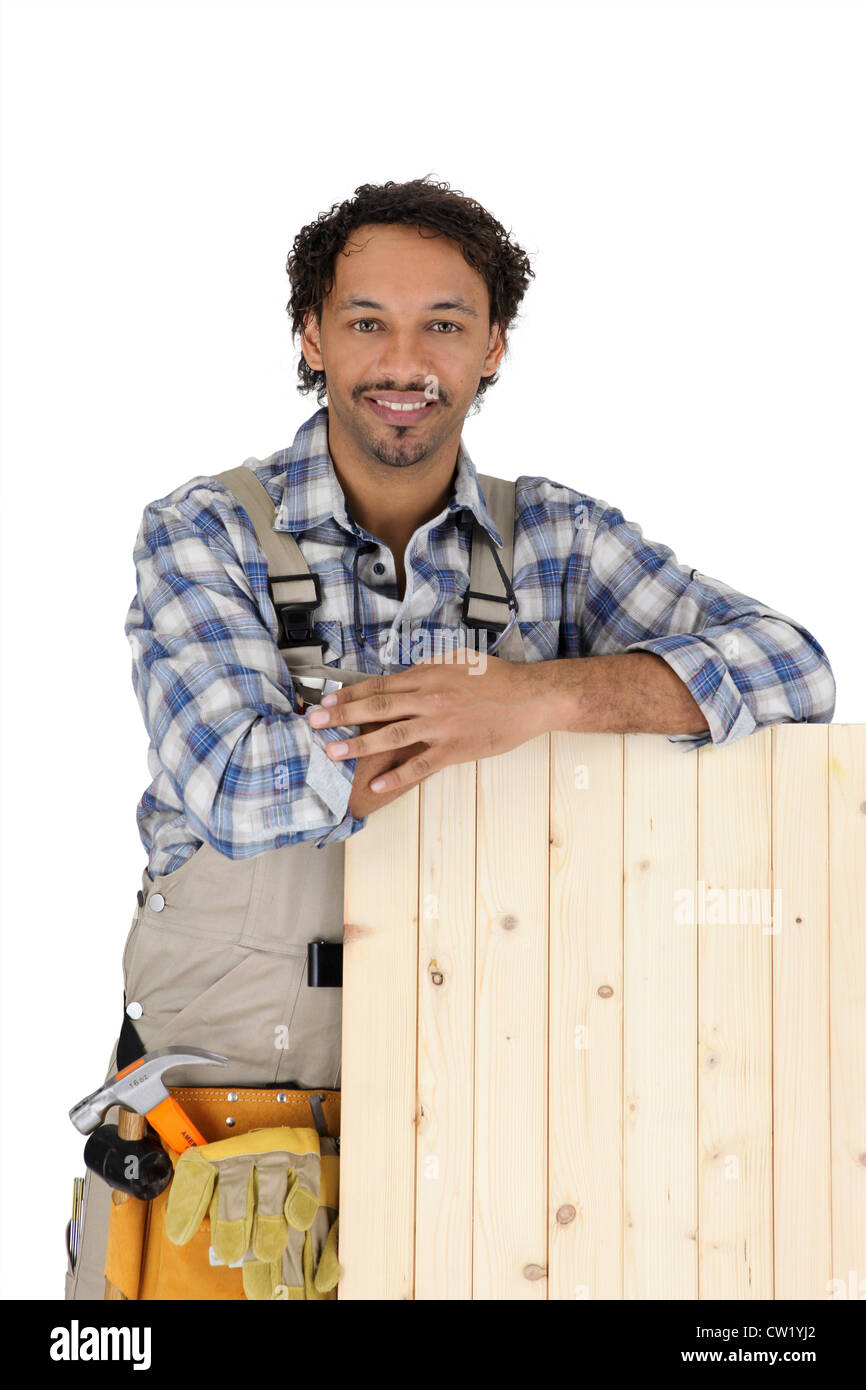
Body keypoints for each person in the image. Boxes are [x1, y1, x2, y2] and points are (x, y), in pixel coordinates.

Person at [65, 175, 835, 1300]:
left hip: (497, 1131)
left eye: (444, 324)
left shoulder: (557, 538)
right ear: (311, 337)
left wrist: (539, 700)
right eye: (366, 320)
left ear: (492, 349)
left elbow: (792, 668)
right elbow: (233, 783)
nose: (402, 359)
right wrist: (467, 714)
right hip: (227, 1137)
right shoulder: (206, 530)